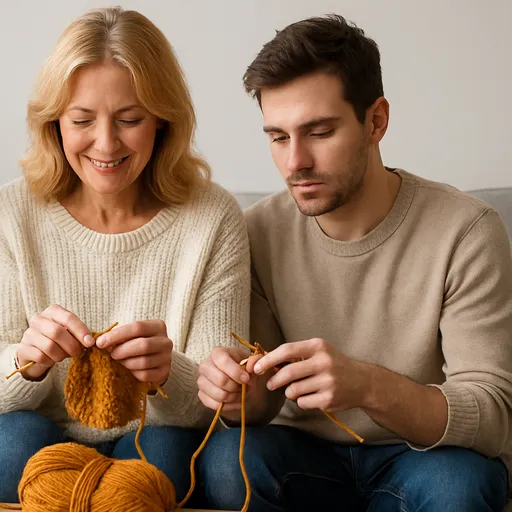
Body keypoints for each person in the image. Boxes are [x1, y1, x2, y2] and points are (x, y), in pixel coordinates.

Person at [197, 14, 512, 512]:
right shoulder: (253, 231)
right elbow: (261, 404)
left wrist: (367, 386)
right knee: (223, 463)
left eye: (319, 132)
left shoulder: (466, 230)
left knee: (459, 486)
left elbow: (493, 415)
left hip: (421, 456)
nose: (295, 162)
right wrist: (238, 395)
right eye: (278, 137)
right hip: (301, 454)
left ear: (376, 121)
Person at [0, 6, 249, 506]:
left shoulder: (213, 217)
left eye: (130, 119)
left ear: (162, 120)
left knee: (164, 458)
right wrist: (26, 362)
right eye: (82, 120)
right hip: (36, 429)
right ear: (54, 122)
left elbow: (215, 401)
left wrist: (168, 372)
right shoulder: (14, 210)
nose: (105, 143)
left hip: (155, 430)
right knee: (12, 450)